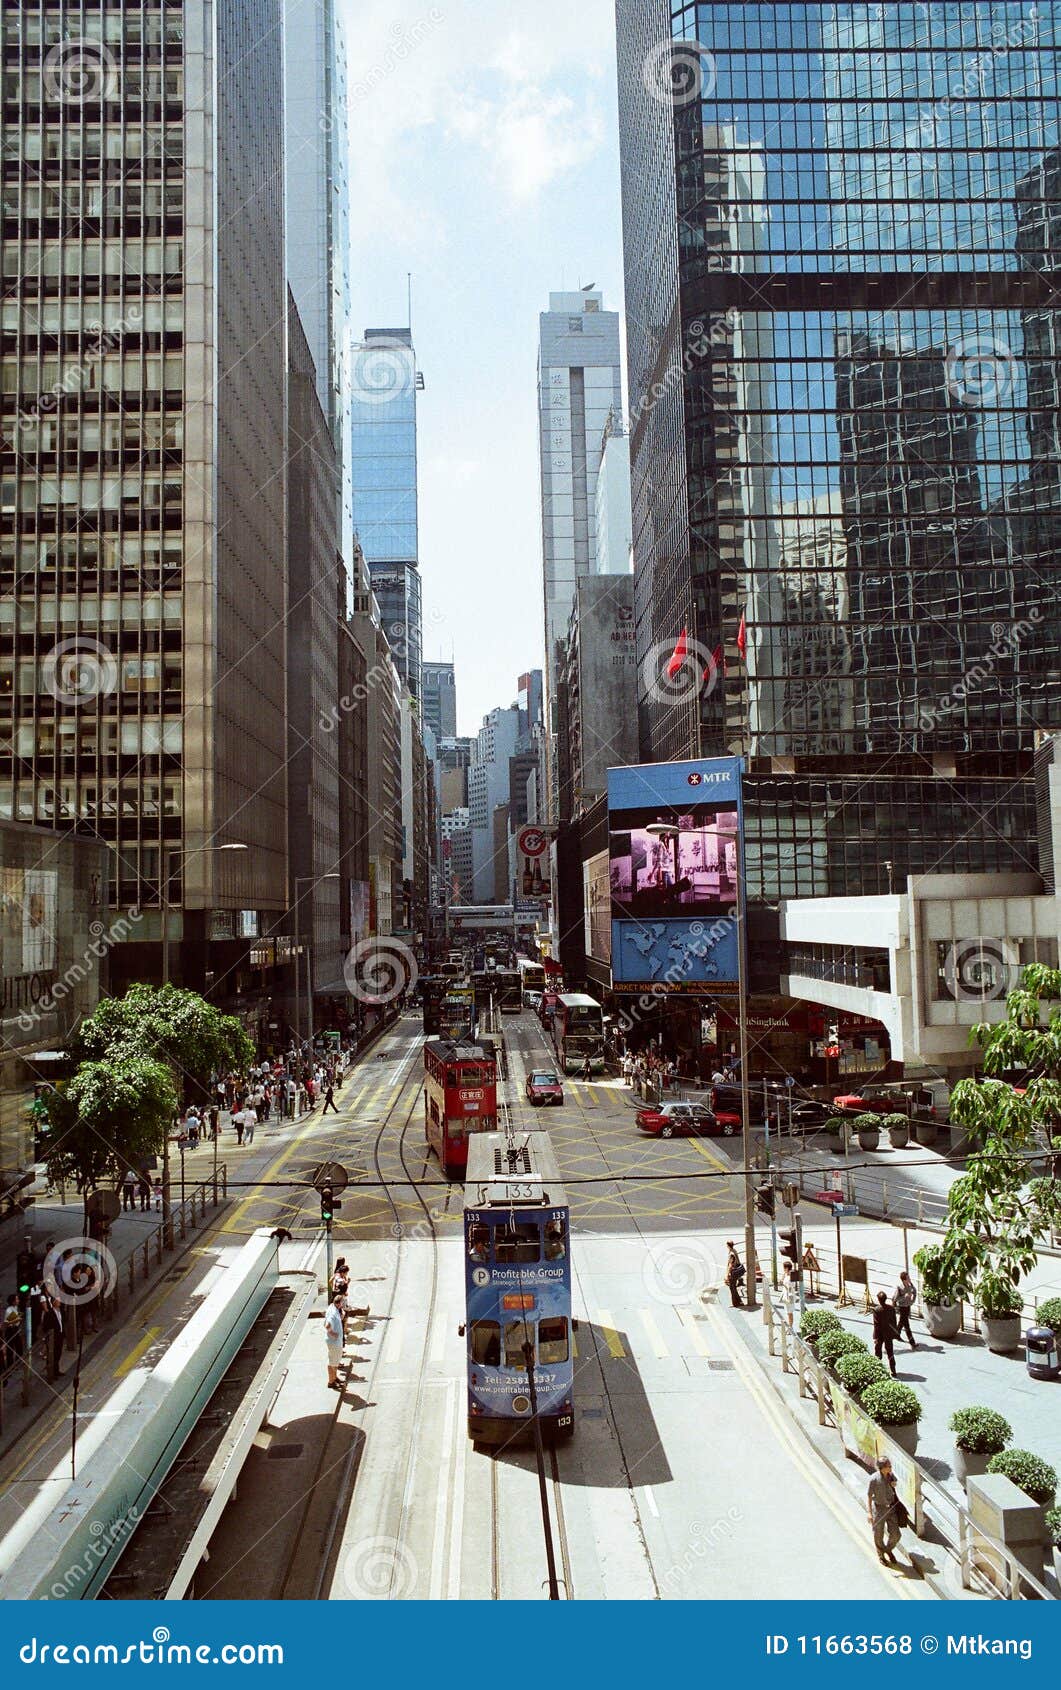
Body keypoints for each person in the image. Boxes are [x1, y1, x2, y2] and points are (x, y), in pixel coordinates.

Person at [867, 1456, 903, 1564]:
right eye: (889, 1466)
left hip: (891, 1508)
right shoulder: (874, 1479)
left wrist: (893, 1484)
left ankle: (887, 1550)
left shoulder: (890, 1476)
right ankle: (881, 1554)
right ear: (882, 1468)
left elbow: (895, 1483)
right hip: (879, 1509)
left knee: (896, 1534)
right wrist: (869, 1513)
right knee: (878, 1534)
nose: (891, 1468)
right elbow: (869, 1496)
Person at [872, 1289, 898, 1376]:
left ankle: (877, 1369)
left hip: (880, 1334)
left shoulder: (876, 1310)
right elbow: (894, 1322)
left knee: (878, 1351)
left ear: (879, 1300)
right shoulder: (891, 1309)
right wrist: (894, 1334)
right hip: (888, 1333)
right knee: (890, 1351)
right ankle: (893, 1370)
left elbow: (876, 1325)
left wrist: (875, 1337)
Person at [324, 1292, 345, 1389]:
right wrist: (333, 1334)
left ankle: (334, 1377)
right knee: (332, 1361)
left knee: (335, 1360)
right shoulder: (333, 1313)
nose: (343, 1304)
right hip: (334, 1342)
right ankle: (331, 1382)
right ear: (339, 1303)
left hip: (335, 1341)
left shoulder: (332, 1308)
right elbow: (327, 1325)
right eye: (342, 1302)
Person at [894, 1271, 917, 1349]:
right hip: (902, 1307)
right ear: (904, 1280)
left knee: (901, 1322)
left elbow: (914, 1292)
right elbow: (895, 1299)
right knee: (907, 1326)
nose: (909, 1279)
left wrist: (912, 1300)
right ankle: (912, 1342)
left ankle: (896, 1334)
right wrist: (904, 1296)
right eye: (908, 1278)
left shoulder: (910, 1286)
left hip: (908, 1307)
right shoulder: (900, 1288)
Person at [724, 1240, 745, 1308]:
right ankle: (739, 1301)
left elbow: (730, 1265)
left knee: (732, 1287)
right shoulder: (734, 1250)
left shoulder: (731, 1254)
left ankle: (736, 1303)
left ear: (728, 1246)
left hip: (733, 1272)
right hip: (736, 1271)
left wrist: (727, 1275)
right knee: (733, 1287)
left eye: (727, 1245)